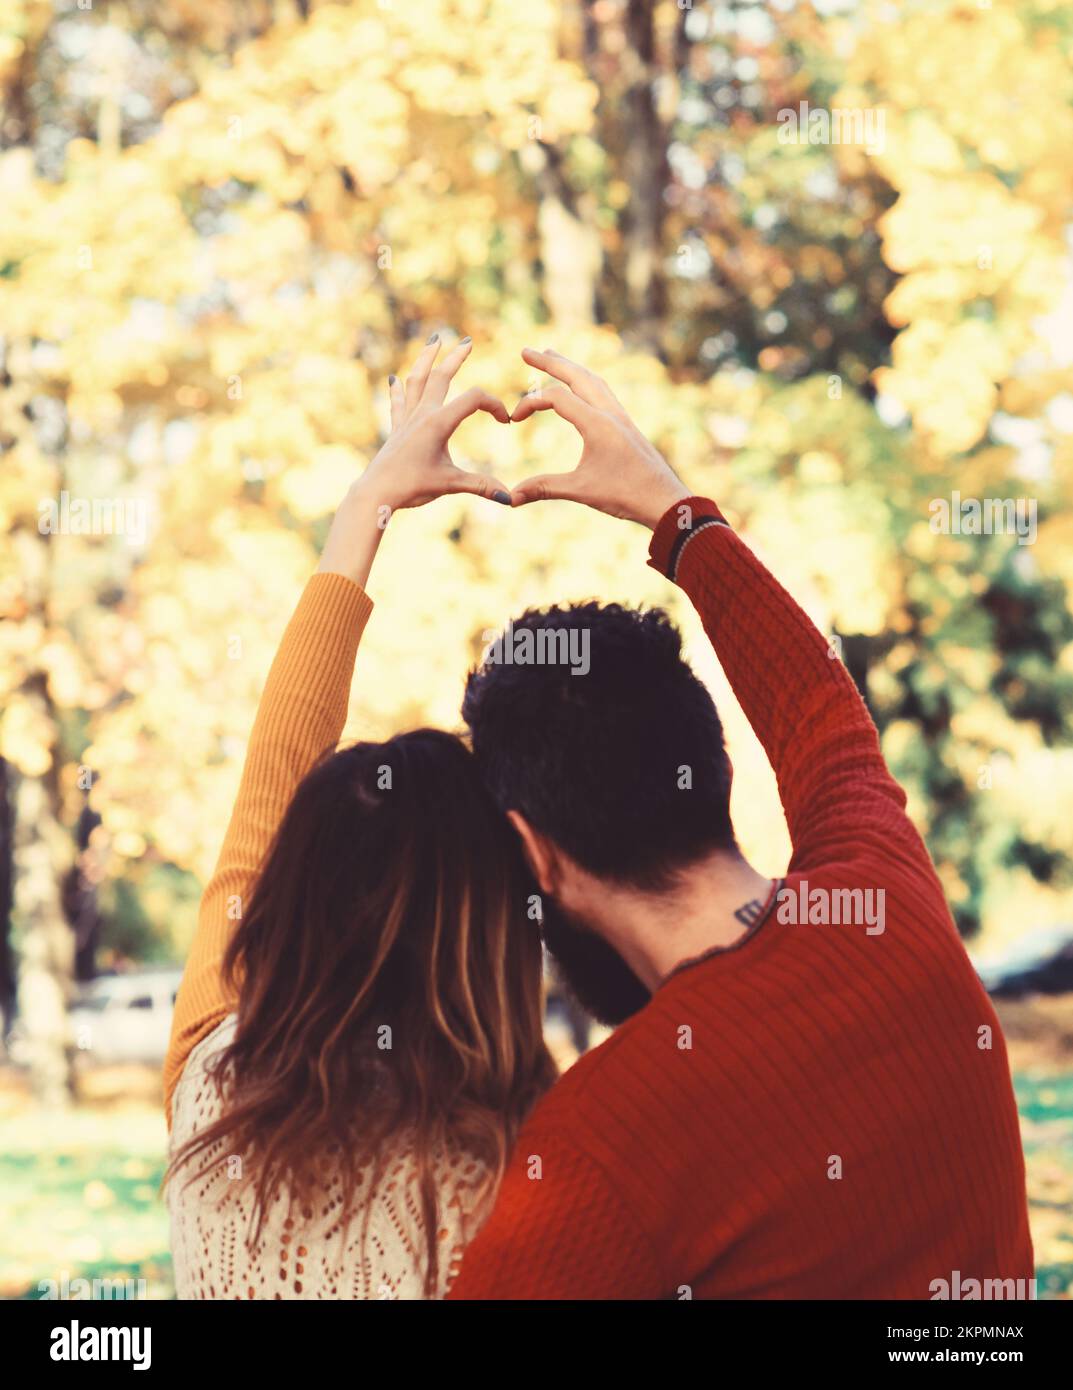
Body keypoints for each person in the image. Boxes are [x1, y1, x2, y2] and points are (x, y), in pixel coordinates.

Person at [449, 346, 1034, 1299]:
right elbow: (822, 715)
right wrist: (677, 518)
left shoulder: (596, 1152)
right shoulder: (890, 910)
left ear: (533, 854)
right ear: (715, 764)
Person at [163, 336, 556, 1300]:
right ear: (493, 920)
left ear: (290, 896)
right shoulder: (530, 1169)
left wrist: (367, 507)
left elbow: (270, 784)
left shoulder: (207, 1092)